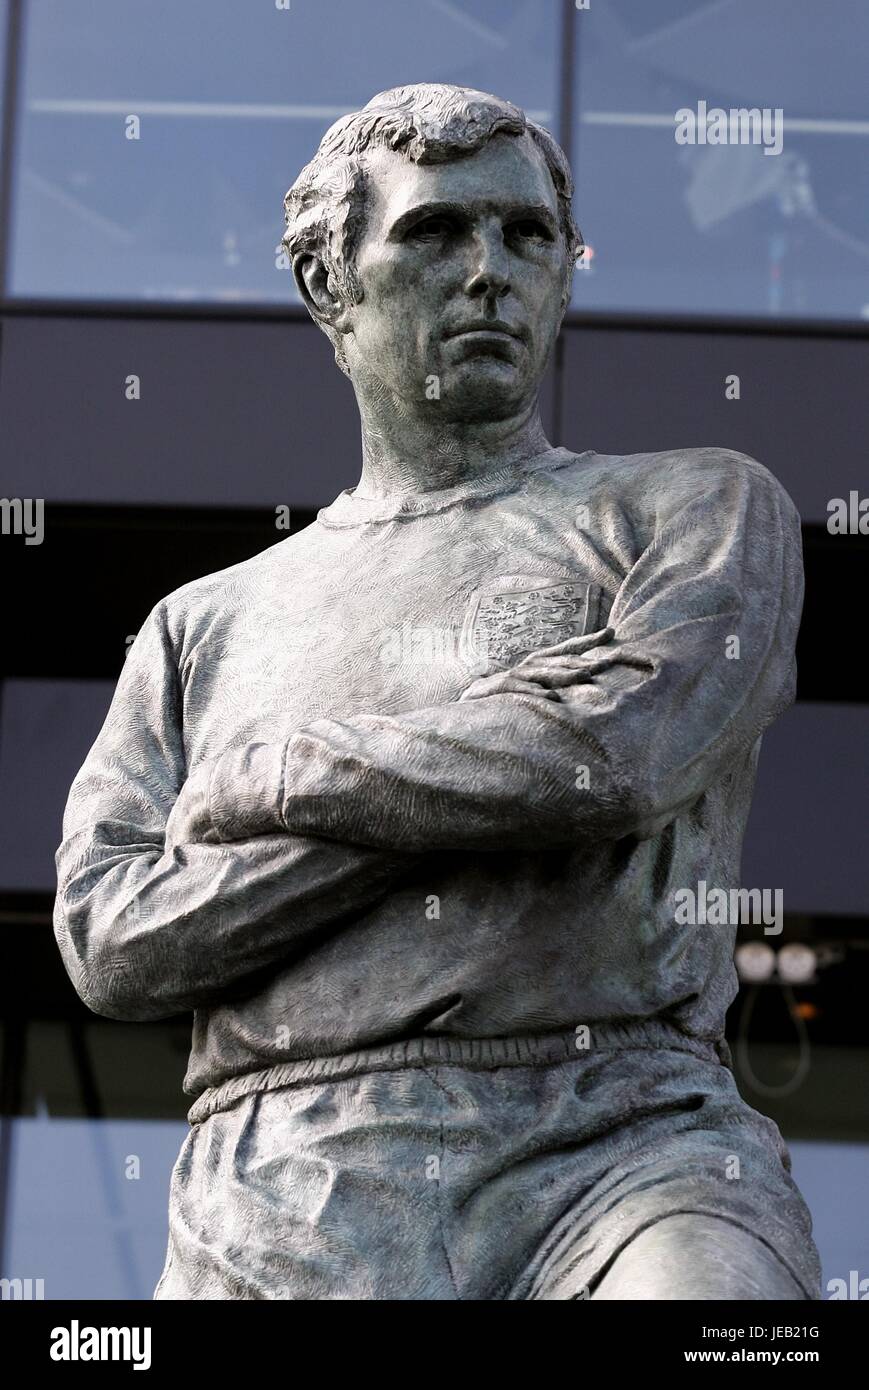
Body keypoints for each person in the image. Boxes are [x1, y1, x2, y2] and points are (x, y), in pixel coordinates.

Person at [54, 83, 820, 1300]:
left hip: (618, 1144)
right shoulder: (202, 624)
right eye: (435, 232)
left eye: (526, 237)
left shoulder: (694, 506)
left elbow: (619, 755)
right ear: (327, 283)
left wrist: (283, 778)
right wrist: (497, 770)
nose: (490, 272)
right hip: (280, 1187)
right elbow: (113, 942)